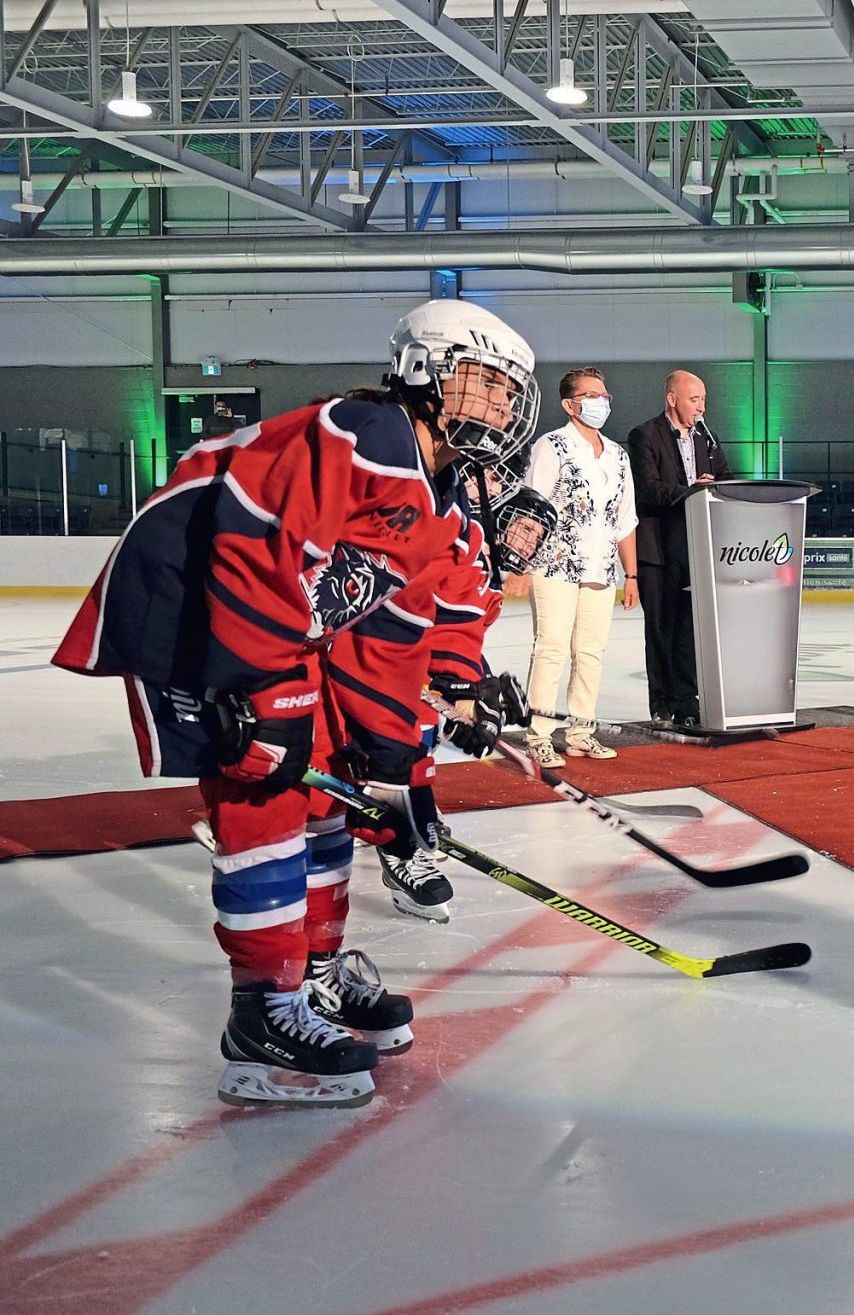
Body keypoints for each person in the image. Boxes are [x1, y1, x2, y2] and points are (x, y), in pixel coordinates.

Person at [52, 298, 541, 1108]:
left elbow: (391, 632)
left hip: (274, 627)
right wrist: (266, 692)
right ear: (425, 370)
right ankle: (261, 1010)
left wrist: (391, 757)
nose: (499, 404)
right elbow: (255, 539)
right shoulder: (368, 435)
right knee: (263, 790)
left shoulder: (436, 489)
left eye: (506, 390)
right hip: (192, 608)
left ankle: (311, 976)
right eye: (483, 381)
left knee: (329, 796)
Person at [517, 367, 639, 765]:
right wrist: (518, 564)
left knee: (590, 651)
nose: (600, 402)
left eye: (604, 395)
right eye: (591, 395)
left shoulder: (618, 455)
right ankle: (539, 734)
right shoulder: (551, 446)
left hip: (601, 568)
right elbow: (531, 507)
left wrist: (631, 574)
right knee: (551, 648)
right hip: (554, 564)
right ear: (570, 404)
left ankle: (581, 730)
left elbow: (625, 519)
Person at [627, 369, 733, 728]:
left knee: (688, 629)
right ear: (672, 399)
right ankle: (662, 702)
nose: (701, 406)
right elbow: (649, 489)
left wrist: (714, 486)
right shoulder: (644, 435)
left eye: (703, 399)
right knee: (660, 628)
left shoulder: (708, 439)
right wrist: (692, 490)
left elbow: (727, 479)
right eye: (694, 399)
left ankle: (688, 701)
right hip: (657, 550)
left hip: (695, 548)